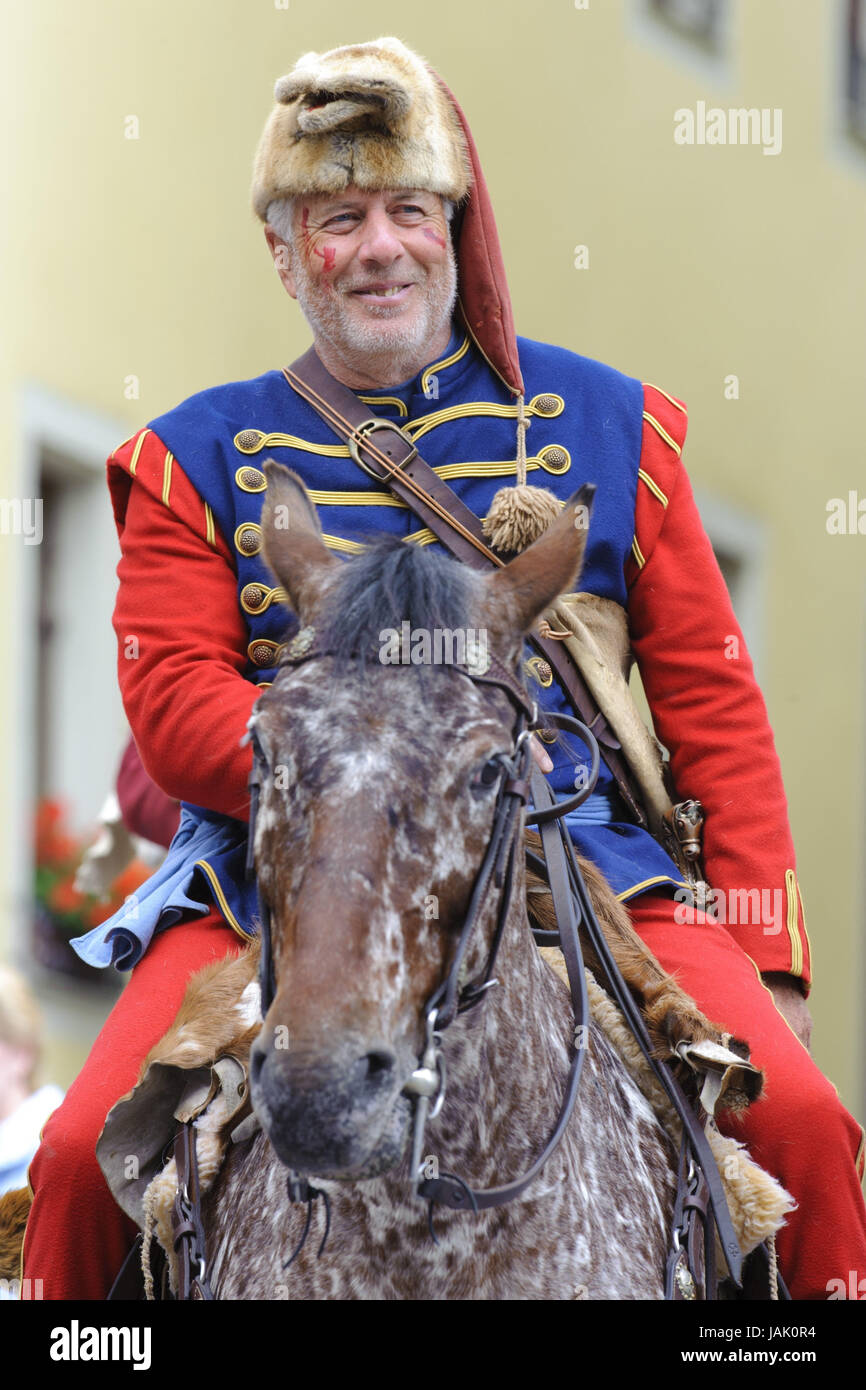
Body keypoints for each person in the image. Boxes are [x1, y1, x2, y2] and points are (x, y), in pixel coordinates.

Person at [22, 35, 865, 1301]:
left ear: (453, 228)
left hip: (579, 867)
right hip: (280, 882)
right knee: (85, 1158)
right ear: (283, 250)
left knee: (800, 1124)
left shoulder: (612, 427)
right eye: (337, 217)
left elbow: (711, 706)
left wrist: (770, 964)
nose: (378, 248)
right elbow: (178, 705)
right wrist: (366, 772)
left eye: (407, 210)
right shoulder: (187, 457)